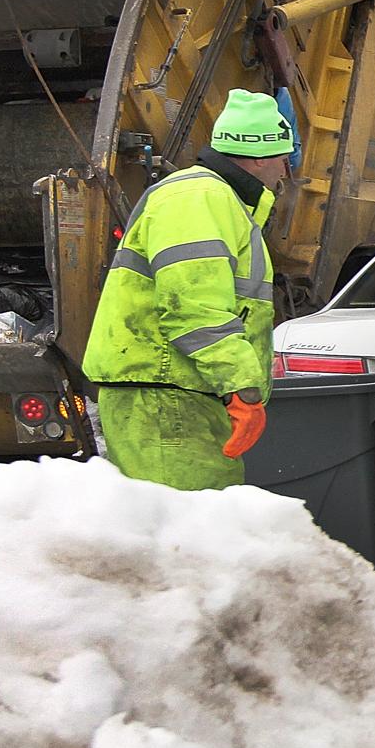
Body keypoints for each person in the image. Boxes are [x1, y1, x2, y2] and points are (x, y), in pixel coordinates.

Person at [84, 88, 294, 490]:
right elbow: (194, 309)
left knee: (190, 526)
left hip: (176, 390)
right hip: (165, 391)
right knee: (189, 531)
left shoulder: (211, 199)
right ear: (260, 156)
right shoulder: (201, 199)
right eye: (284, 158)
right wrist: (242, 386)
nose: (284, 171)